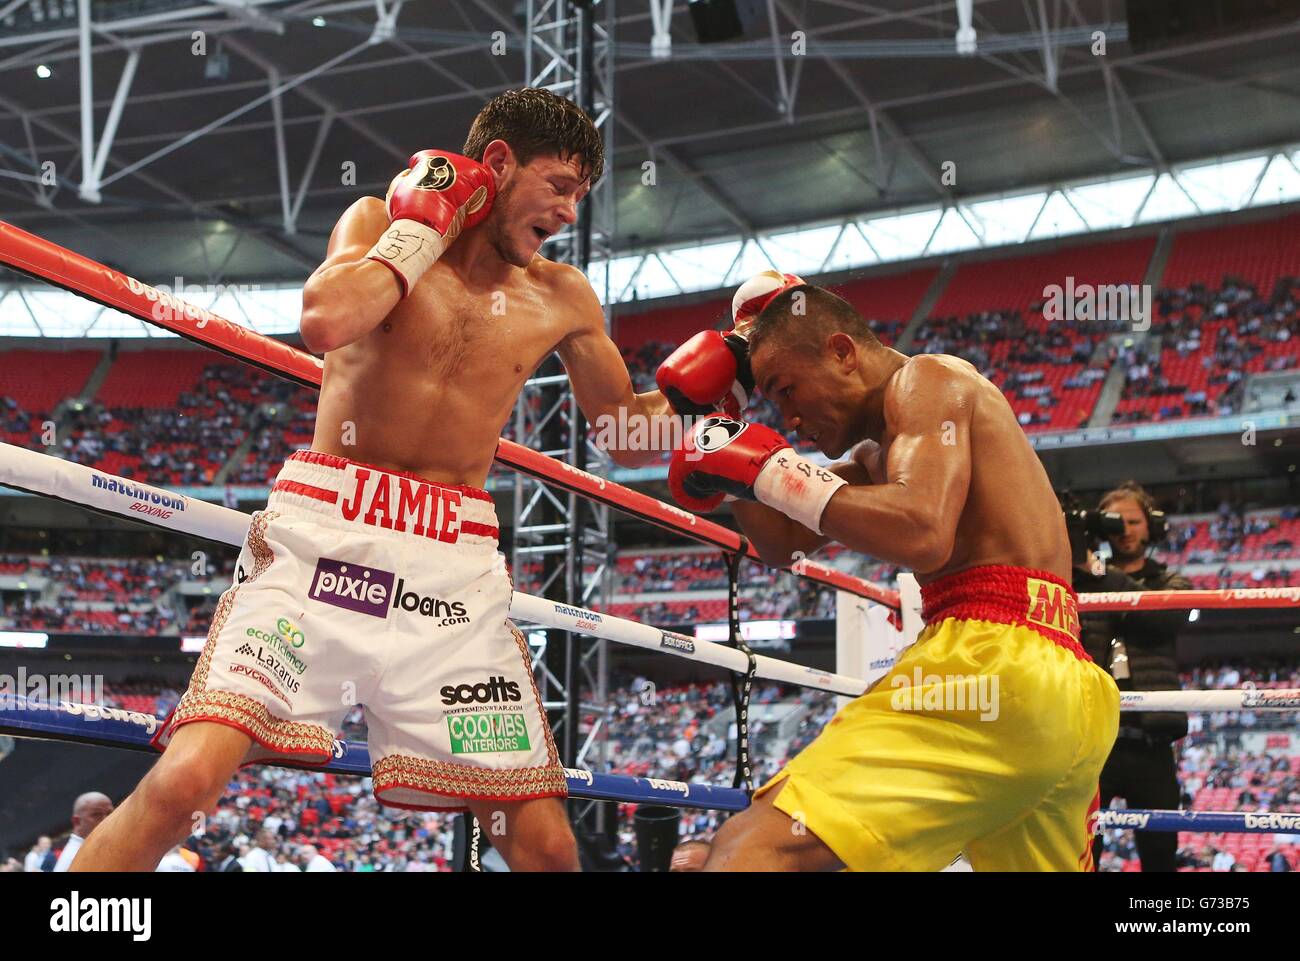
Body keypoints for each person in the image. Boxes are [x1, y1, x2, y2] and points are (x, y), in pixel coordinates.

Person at [73, 87, 675, 873]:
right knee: (184, 781)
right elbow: (325, 320)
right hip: (327, 537)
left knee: (547, 846)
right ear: (497, 163)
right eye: (558, 185)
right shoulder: (377, 220)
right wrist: (421, 231)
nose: (568, 212)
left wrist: (716, 394)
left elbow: (626, 433)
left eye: (580, 196)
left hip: (451, 568)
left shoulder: (562, 295)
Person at [660, 278, 1120, 871]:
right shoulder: (879, 453)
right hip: (1066, 689)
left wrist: (767, 470)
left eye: (787, 389)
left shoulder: (929, 378)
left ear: (842, 352)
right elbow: (782, 541)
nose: (790, 418)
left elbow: (923, 532)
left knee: (744, 850)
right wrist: (715, 427)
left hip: (994, 666)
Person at [1092, 481, 1190, 873]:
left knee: (1160, 855)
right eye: (1116, 522)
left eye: (1133, 521)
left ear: (1152, 526)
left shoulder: (1171, 583)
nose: (1126, 530)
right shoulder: (1081, 582)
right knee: (1080, 852)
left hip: (1151, 741)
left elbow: (1163, 619)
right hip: (1094, 741)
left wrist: (1105, 576)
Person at [52, 792, 114, 871]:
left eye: (110, 813)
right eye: (97, 815)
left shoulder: (96, 847)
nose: (107, 819)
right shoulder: (73, 860)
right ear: (77, 821)